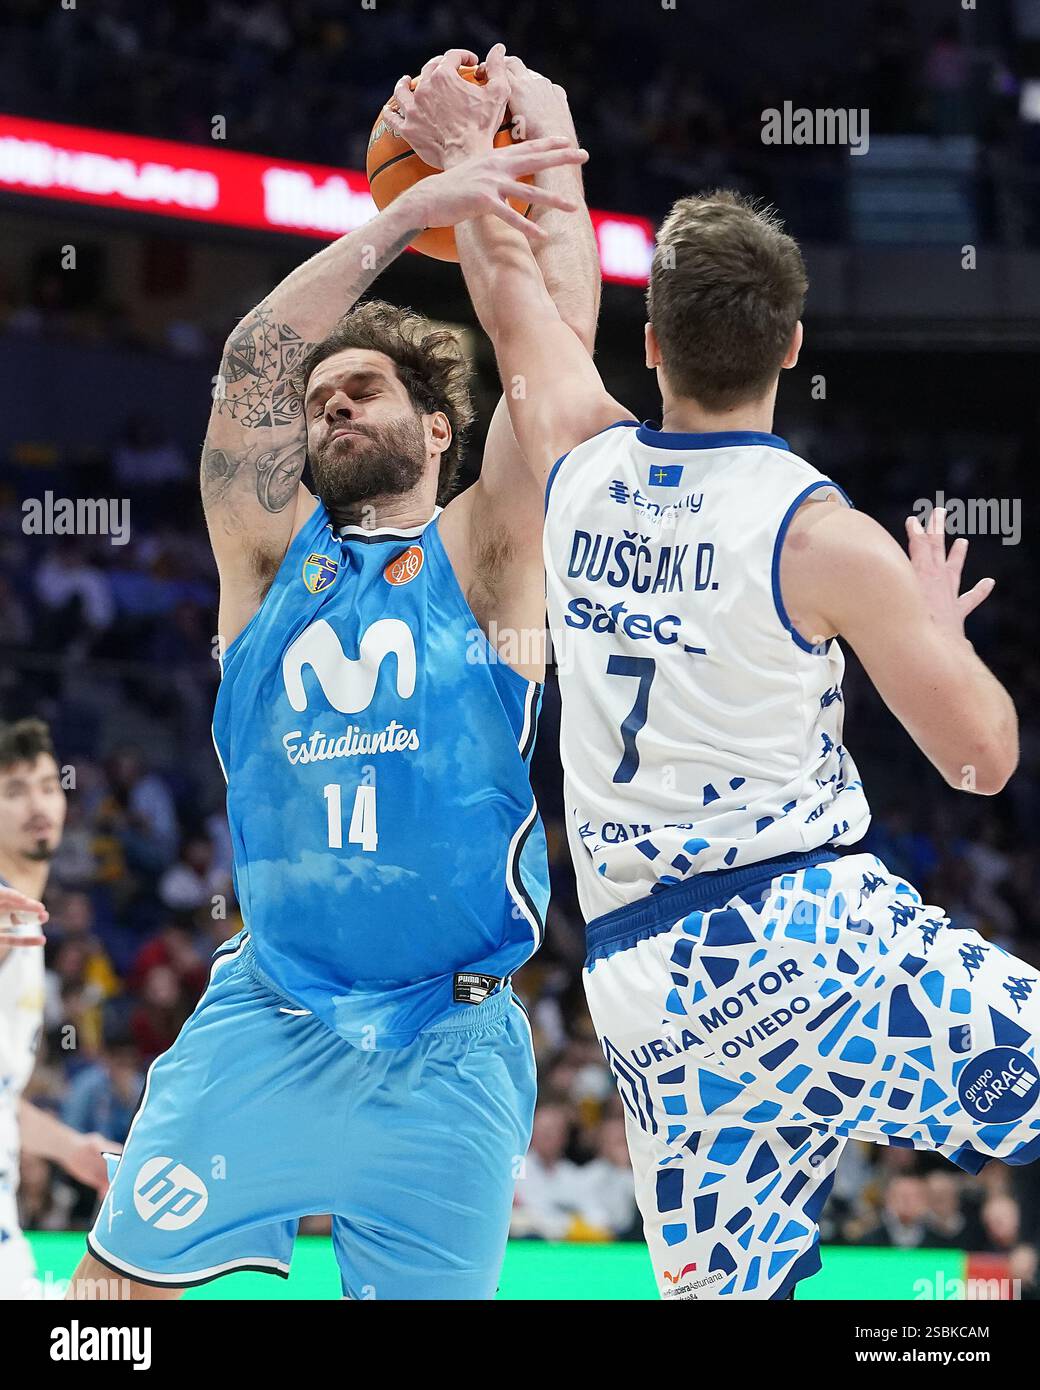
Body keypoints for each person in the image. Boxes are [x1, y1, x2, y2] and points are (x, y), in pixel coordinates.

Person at [390, 43, 1038, 1300]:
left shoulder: (579, 464)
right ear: (791, 344)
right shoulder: (821, 536)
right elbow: (980, 761)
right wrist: (934, 632)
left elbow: (512, 293)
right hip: (806, 937)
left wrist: (492, 160)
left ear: (651, 340)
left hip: (645, 980)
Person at [67, 56, 595, 1301]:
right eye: (320, 404)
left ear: (439, 427)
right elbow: (254, 358)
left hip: (453, 1045)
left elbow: (554, 364)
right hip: (271, 1011)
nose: (330, 408)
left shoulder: (487, 556)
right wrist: (410, 211)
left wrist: (532, 167)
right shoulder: (262, 555)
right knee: (105, 1315)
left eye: (363, 389)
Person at [0, 718, 117, 1298]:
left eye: (47, 785)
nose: (37, 803)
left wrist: (69, 1147)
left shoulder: (30, 925)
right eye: (13, 790)